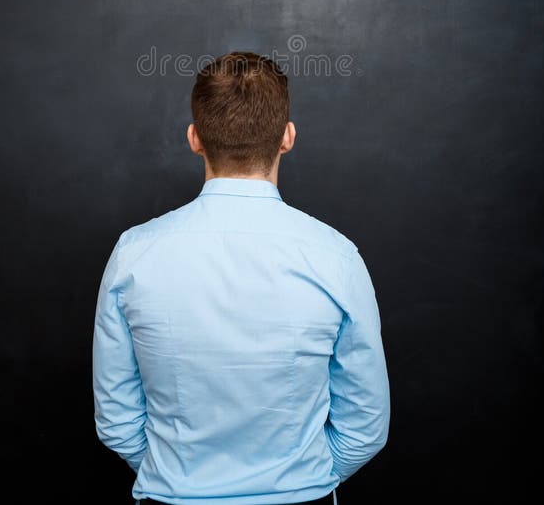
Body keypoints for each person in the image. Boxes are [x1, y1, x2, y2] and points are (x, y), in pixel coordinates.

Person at [93, 52, 390, 505]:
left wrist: (176, 476)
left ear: (194, 138)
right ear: (288, 138)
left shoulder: (134, 254)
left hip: (172, 496)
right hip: (299, 497)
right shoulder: (336, 259)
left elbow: (116, 419)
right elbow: (365, 423)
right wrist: (301, 479)